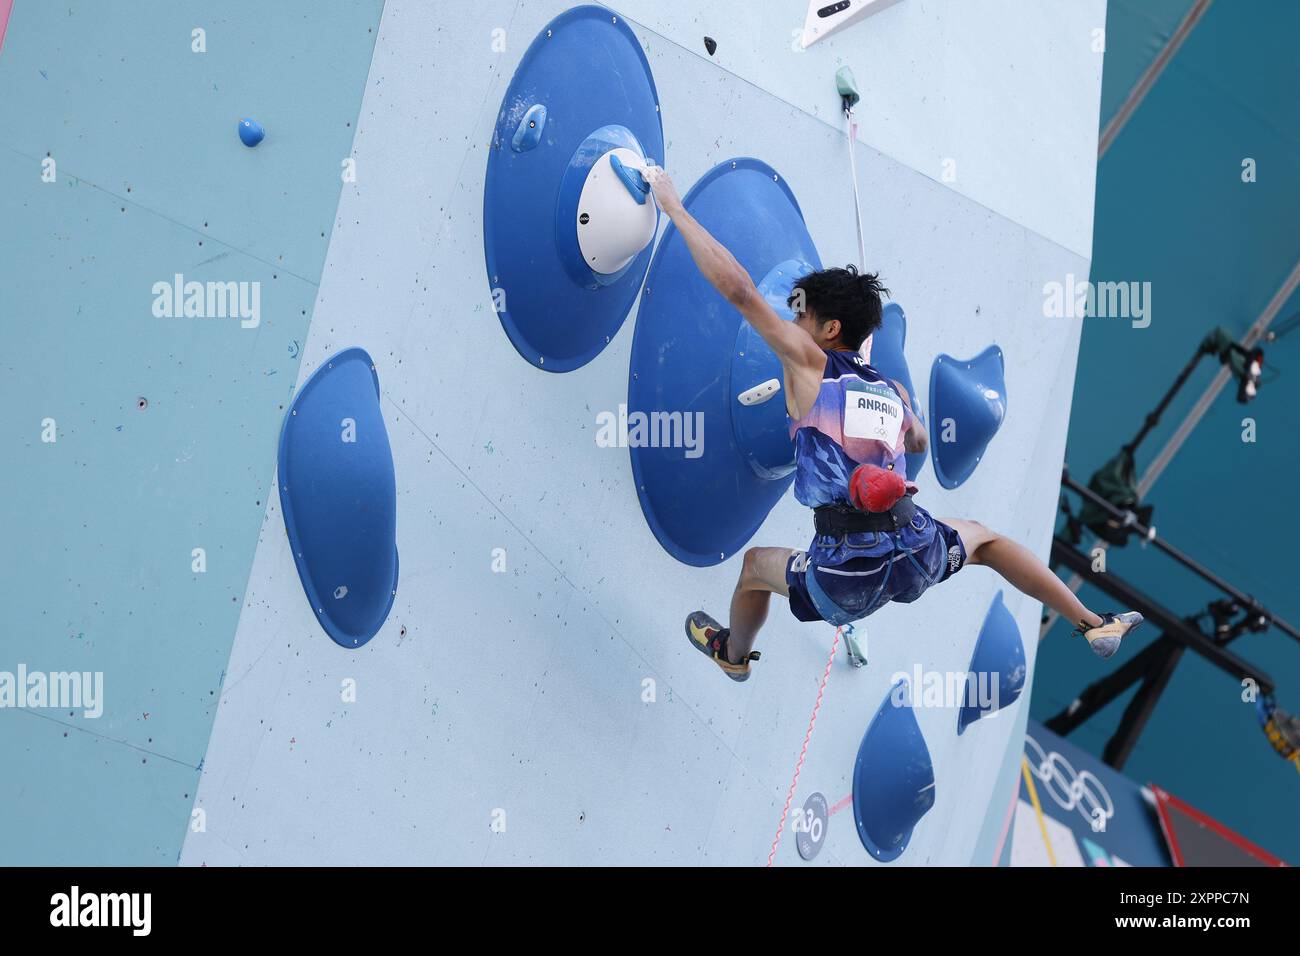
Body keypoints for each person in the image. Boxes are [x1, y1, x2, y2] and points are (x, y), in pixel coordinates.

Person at [644, 167, 1144, 682]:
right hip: (917, 550)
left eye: (800, 316)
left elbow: (743, 292)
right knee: (986, 542)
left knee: (753, 569)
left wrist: (676, 209)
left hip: (844, 576)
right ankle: (1091, 622)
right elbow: (920, 438)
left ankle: (734, 656)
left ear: (830, 329)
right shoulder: (894, 393)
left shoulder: (809, 364)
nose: (792, 325)